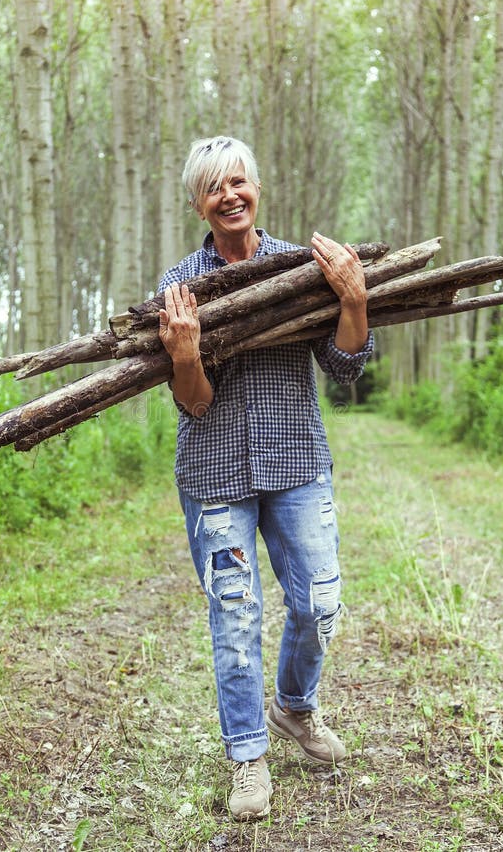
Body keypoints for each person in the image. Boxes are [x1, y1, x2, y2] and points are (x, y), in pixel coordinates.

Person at [156, 136, 373, 821]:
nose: (229, 196)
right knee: (235, 614)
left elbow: (344, 367)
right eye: (213, 187)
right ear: (198, 203)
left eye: (238, 182)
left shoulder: (301, 268)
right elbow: (193, 404)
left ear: (256, 189)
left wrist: (354, 300)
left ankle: (294, 708)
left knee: (320, 601)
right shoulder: (179, 287)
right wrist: (185, 355)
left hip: (297, 463)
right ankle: (247, 755)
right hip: (214, 471)